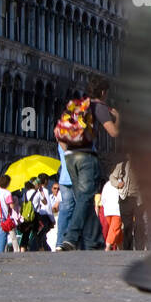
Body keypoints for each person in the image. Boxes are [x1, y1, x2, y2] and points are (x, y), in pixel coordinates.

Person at [59, 76, 118, 250]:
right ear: (103, 92)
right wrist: (118, 117)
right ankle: (70, 237)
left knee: (84, 199)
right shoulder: (99, 107)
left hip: (69, 156)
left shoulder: (77, 105)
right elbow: (113, 133)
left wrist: (69, 152)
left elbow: (60, 133)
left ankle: (94, 242)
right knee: (85, 198)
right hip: (86, 157)